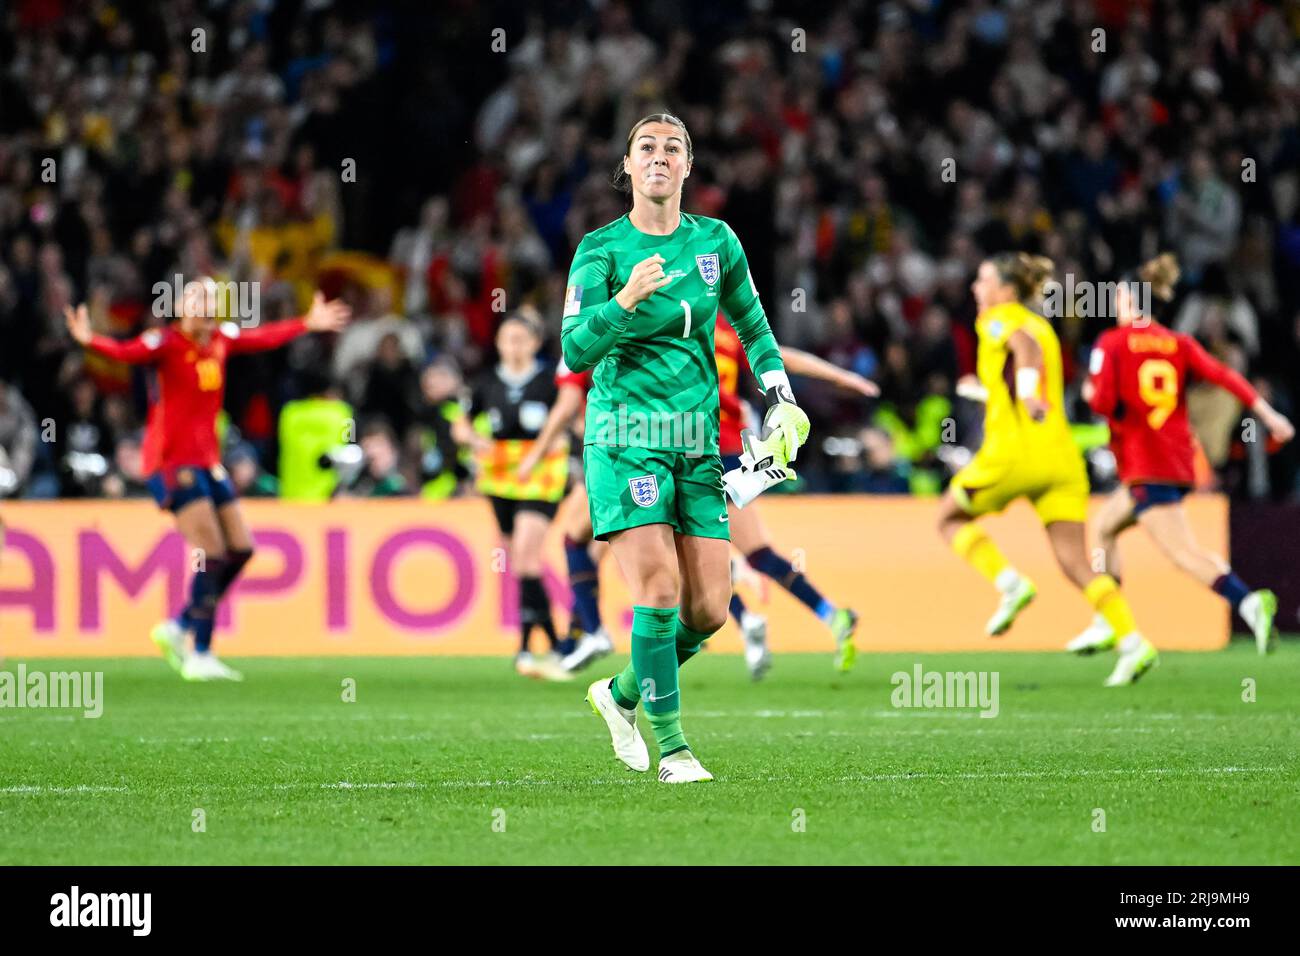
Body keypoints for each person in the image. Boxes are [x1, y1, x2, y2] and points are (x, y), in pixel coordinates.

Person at [562, 112, 808, 783]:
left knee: (709, 611)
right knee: (661, 590)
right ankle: (674, 751)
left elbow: (754, 328)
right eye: (647, 148)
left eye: (674, 148)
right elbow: (574, 348)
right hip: (625, 441)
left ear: (689, 166)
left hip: (698, 445)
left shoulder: (716, 243)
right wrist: (622, 302)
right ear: (628, 165)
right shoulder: (601, 250)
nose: (660, 157)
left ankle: (618, 697)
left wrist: (780, 395)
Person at [66, 280, 350, 680]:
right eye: (198, 298)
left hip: (209, 464)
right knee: (211, 553)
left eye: (212, 300)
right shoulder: (165, 343)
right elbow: (125, 352)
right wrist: (89, 339)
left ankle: (180, 625)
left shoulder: (221, 339)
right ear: (180, 305)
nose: (207, 306)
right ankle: (199, 652)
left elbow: (263, 338)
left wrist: (306, 323)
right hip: (172, 465)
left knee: (242, 549)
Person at [937, 253, 1155, 687]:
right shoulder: (1046, 328)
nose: (976, 290)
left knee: (947, 518)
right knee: (1075, 561)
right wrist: (987, 392)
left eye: (982, 281)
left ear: (1006, 290)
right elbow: (1025, 368)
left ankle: (1010, 582)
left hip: (1015, 455)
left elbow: (1024, 350)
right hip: (1061, 460)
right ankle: (1133, 641)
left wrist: (1028, 393)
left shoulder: (1000, 319)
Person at [1075, 254, 1293, 655]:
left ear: (1127, 298)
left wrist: (1090, 393)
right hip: (1175, 460)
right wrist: (1269, 414)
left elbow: (1104, 402)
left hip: (1146, 464)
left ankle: (1247, 601)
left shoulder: (1112, 343)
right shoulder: (1178, 343)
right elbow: (1225, 376)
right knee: (1105, 526)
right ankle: (1109, 620)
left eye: (1117, 295)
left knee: (1183, 554)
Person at [716, 313, 878, 679]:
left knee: (688, 548)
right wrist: (840, 376)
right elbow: (779, 356)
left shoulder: (678, 317)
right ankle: (831, 615)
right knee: (756, 553)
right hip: (731, 449)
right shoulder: (725, 328)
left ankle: (746, 619)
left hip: (696, 448)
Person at [453, 309, 571, 682]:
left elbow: (571, 418)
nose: (514, 346)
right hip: (501, 477)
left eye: (522, 339)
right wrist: (475, 440)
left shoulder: (550, 380)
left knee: (523, 554)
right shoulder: (485, 382)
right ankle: (549, 645)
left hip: (541, 473)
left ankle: (535, 646)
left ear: (535, 343)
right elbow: (460, 424)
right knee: (522, 562)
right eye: (508, 339)